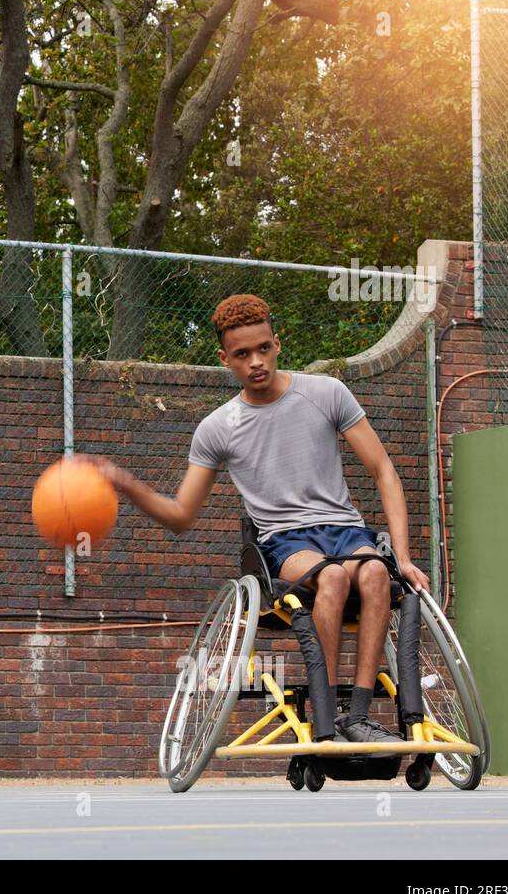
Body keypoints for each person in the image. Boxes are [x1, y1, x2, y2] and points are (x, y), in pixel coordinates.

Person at [85, 294, 430, 743]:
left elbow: (384, 470)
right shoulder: (217, 428)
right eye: (243, 354)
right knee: (333, 580)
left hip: (344, 529)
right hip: (285, 542)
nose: (256, 362)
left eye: (263, 348)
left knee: (377, 576)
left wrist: (401, 556)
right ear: (224, 358)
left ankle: (357, 715)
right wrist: (123, 482)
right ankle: (325, 714)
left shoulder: (327, 393)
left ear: (278, 344)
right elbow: (180, 516)